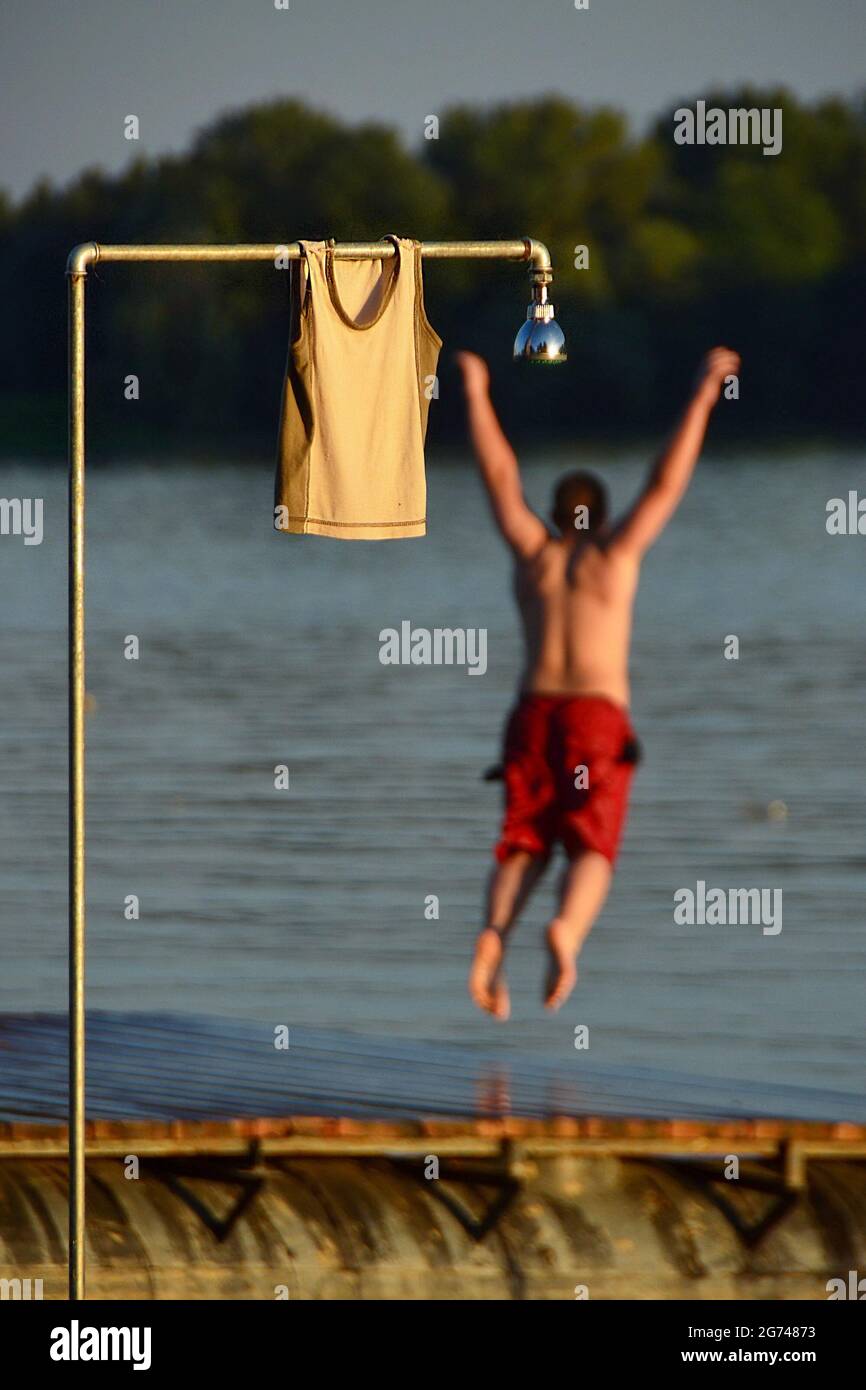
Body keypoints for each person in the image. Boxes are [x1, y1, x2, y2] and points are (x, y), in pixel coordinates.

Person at [456, 346, 741, 1018]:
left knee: (524, 837)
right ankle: (567, 930)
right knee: (592, 840)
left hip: (532, 715)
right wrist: (703, 393)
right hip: (595, 720)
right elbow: (666, 484)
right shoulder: (615, 557)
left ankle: (495, 936)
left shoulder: (533, 553)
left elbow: (499, 474)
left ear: (554, 515)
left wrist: (474, 390)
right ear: (603, 516)